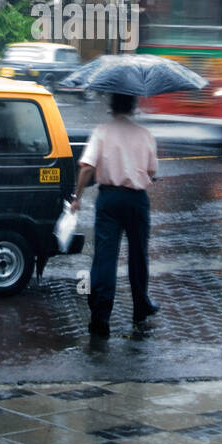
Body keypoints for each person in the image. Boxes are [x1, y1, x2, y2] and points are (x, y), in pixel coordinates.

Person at [70, 92, 159, 338]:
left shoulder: (102, 131)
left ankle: (100, 318)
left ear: (112, 107)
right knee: (138, 256)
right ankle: (141, 310)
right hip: (137, 201)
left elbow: (87, 167)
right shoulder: (145, 134)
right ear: (132, 107)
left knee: (105, 258)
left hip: (109, 199)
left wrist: (77, 197)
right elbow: (151, 171)